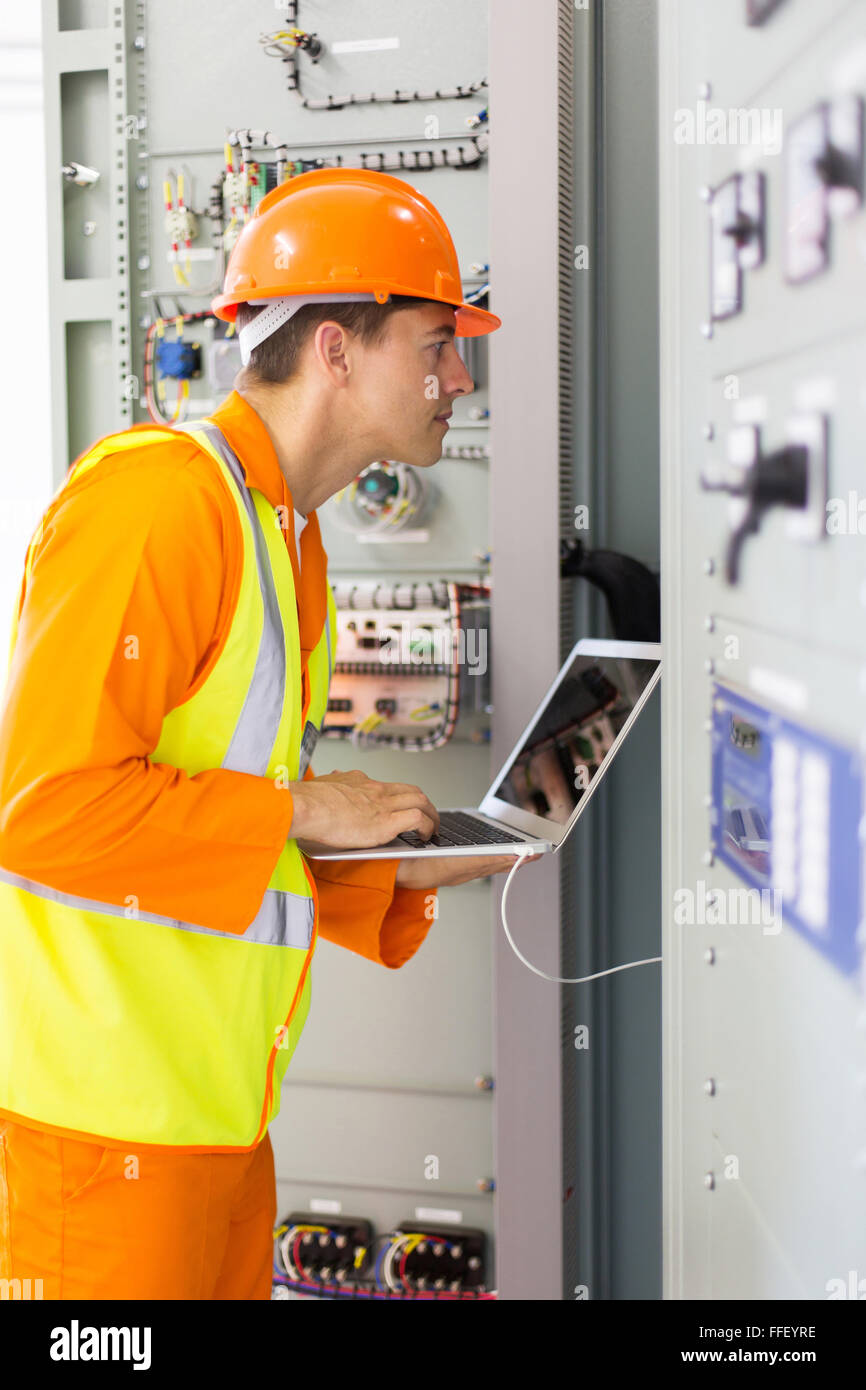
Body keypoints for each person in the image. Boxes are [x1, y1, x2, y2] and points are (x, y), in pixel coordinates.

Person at [0, 168, 529, 1299]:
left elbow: (217, 845)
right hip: (93, 1142)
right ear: (334, 349)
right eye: (436, 341)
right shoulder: (158, 505)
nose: (456, 377)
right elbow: (40, 816)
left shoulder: (290, 543)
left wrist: (409, 859)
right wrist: (300, 807)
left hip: (217, 1125)